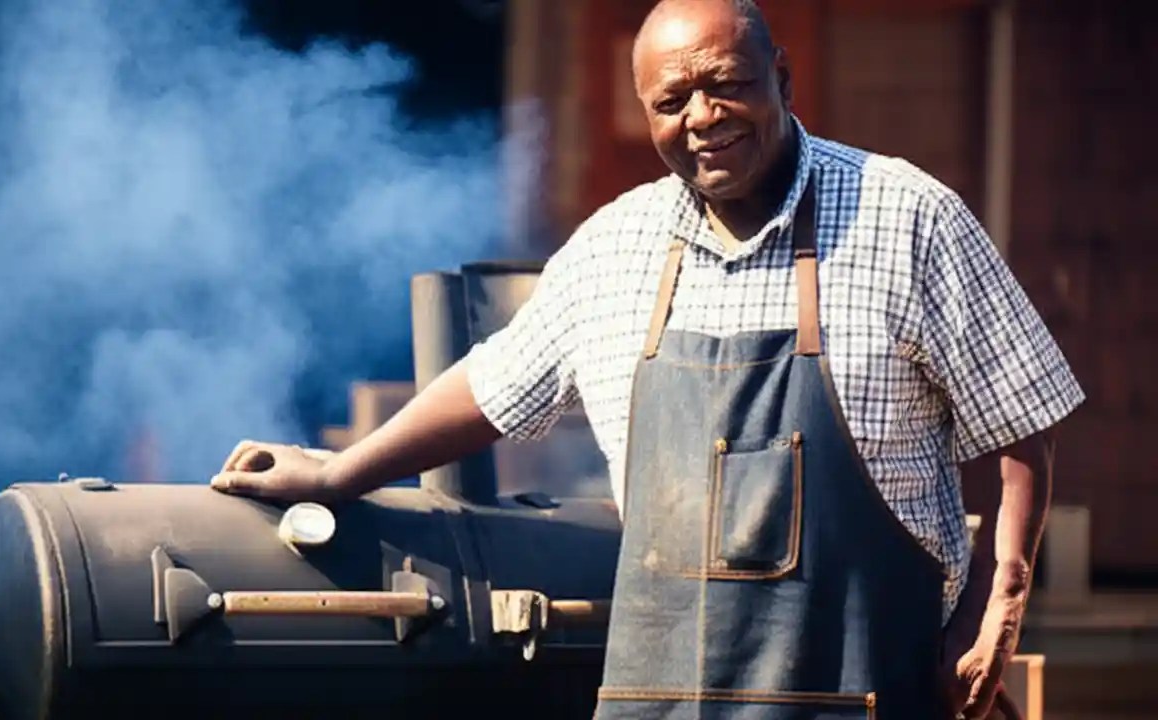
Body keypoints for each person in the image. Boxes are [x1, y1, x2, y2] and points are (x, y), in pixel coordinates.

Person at [211, 0, 1082, 717]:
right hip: (669, 695)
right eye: (672, 103)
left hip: (871, 687)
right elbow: (490, 386)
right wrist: (340, 476)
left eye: (728, 86)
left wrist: (996, 607)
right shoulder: (614, 247)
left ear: (782, 76)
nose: (702, 119)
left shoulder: (906, 217)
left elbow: (1023, 425)